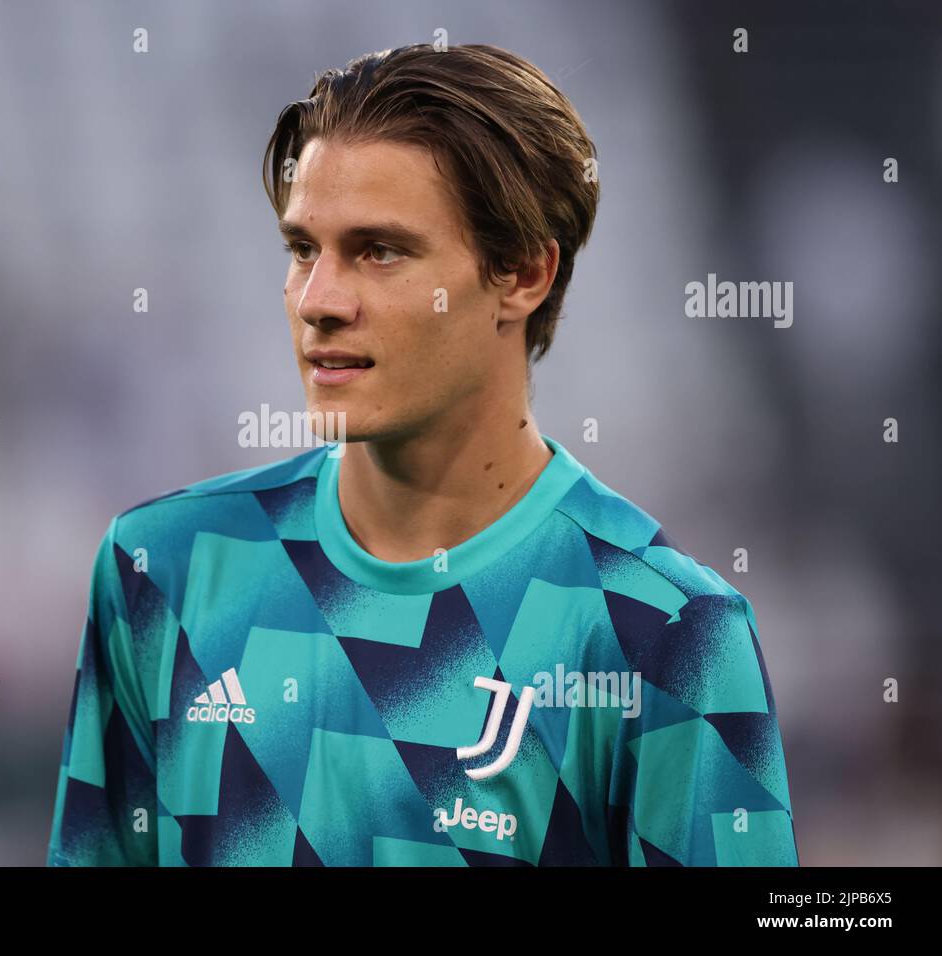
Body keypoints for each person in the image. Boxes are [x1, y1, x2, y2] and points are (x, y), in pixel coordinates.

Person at [47, 42, 798, 866]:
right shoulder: (162, 571)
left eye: (379, 251)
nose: (318, 301)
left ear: (522, 273)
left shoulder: (663, 631)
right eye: (303, 249)